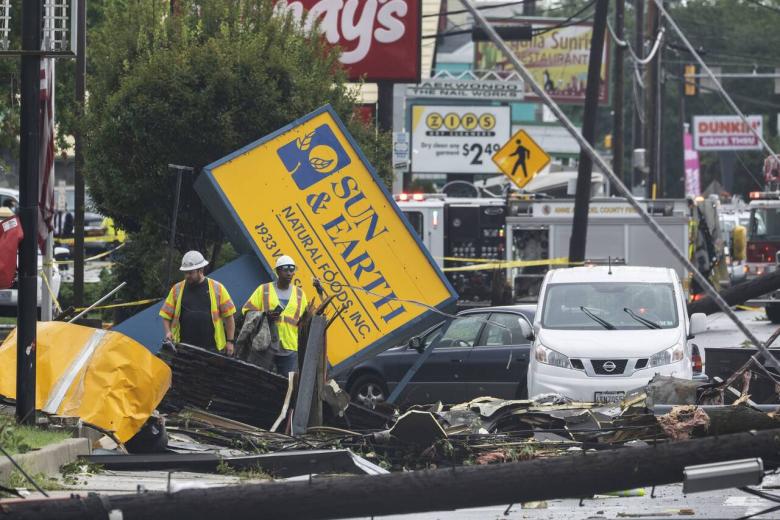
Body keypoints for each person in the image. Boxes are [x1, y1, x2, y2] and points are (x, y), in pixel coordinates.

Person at [242, 255, 316, 375]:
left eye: (292, 269)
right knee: (259, 378)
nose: (289, 273)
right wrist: (264, 315)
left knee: (286, 384)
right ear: (277, 271)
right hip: (265, 343)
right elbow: (247, 311)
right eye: (285, 269)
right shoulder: (264, 290)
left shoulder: (300, 294)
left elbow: (304, 321)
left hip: (290, 347)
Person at [159, 250, 237, 355]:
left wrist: (230, 342)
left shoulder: (217, 288)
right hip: (182, 348)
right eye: (185, 272)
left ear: (201, 270)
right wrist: (168, 332)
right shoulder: (177, 289)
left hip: (212, 349)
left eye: (190, 272)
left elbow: (229, 318)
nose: (187, 276)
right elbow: (166, 315)